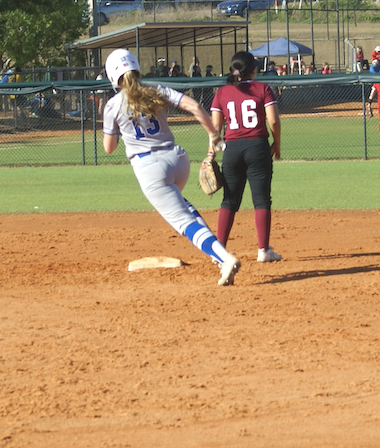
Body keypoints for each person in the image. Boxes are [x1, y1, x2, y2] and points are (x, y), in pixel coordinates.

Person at [101, 49, 240, 286]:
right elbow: (195, 106)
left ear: (113, 76)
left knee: (183, 223)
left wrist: (116, 125)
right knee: (184, 207)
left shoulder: (113, 105)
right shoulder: (156, 89)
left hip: (150, 169)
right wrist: (213, 135)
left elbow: (109, 148)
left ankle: (224, 258)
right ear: (136, 67)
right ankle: (216, 253)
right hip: (178, 160)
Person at [210, 51, 283, 264]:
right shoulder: (263, 88)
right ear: (253, 69)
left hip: (231, 149)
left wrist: (210, 153)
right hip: (258, 147)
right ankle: (263, 251)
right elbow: (274, 121)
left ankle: (219, 251)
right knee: (261, 199)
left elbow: (216, 127)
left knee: (230, 200)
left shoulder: (222, 92)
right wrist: (276, 143)